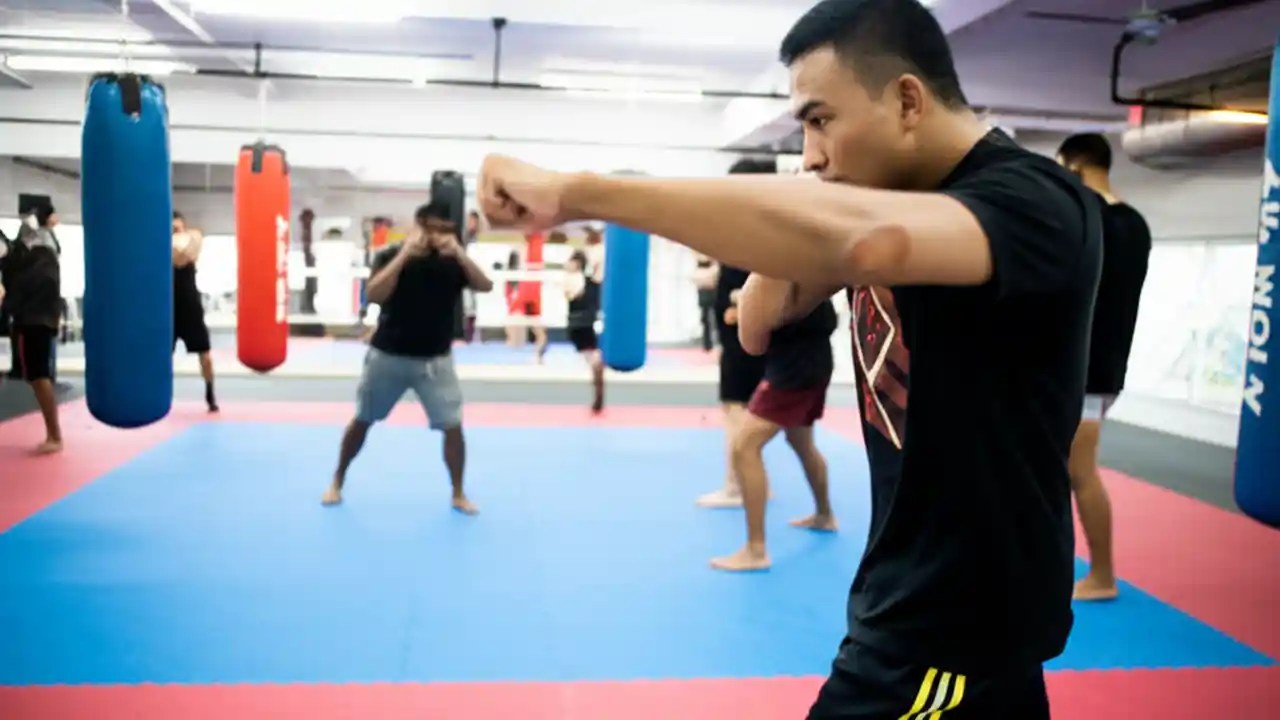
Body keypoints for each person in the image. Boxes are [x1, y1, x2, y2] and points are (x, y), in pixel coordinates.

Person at [475, 0, 1103, 715]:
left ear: (905, 100)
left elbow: (871, 243)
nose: (808, 151)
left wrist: (581, 193)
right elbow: (759, 322)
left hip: (946, 639)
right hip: (928, 615)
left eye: (820, 119)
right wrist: (823, 198)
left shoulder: (1035, 201)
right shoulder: (889, 196)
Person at [322, 201, 493, 513]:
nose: (435, 237)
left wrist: (458, 253)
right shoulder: (390, 254)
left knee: (453, 427)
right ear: (417, 227)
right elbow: (374, 294)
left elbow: (486, 285)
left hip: (436, 362)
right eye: (430, 229)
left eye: (443, 231)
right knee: (363, 420)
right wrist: (404, 255)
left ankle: (458, 493)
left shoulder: (453, 261)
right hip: (388, 356)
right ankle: (337, 479)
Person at [1057, 132, 1152, 602]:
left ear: (1072, 166)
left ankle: (1102, 575)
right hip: (1108, 368)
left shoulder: (1087, 219)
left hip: (1085, 372)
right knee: (1063, 471)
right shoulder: (1135, 223)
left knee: (1081, 472)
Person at [712, 294, 838, 572]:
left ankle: (755, 550)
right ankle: (824, 515)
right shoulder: (810, 269)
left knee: (743, 446)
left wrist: (742, 306)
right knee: (800, 440)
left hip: (794, 371)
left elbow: (754, 338)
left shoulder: (785, 264)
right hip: (812, 362)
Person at [696, 158, 772, 510]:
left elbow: (756, 286)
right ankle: (754, 483)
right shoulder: (752, 229)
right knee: (749, 412)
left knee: (735, 411)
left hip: (742, 341)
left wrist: (737, 307)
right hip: (741, 341)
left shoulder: (750, 233)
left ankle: (735, 485)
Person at [5, 205, 64, 453]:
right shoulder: (42, 250)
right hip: (37, 316)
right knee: (37, 377)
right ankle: (54, 434)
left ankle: (55, 436)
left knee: (39, 377)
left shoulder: (38, 251)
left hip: (35, 318)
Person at [172, 212, 218, 412]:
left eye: (177, 226)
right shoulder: (160, 240)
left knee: (205, 355)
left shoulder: (194, 235)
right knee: (162, 356)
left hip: (190, 304)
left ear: (183, 224)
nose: (174, 228)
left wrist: (176, 243)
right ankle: (160, 395)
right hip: (167, 306)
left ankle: (210, 393)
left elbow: (186, 257)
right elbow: (178, 257)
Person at [563, 249, 605, 412]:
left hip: (581, 323)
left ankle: (597, 381)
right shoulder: (584, 281)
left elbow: (572, 294)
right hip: (582, 322)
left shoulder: (580, 280)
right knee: (592, 357)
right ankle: (597, 382)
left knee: (592, 358)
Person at [692, 254, 719, 351]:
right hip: (708, 295)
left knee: (707, 320)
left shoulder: (702, 272)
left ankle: (708, 343)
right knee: (708, 320)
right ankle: (708, 343)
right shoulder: (711, 271)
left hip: (708, 295)